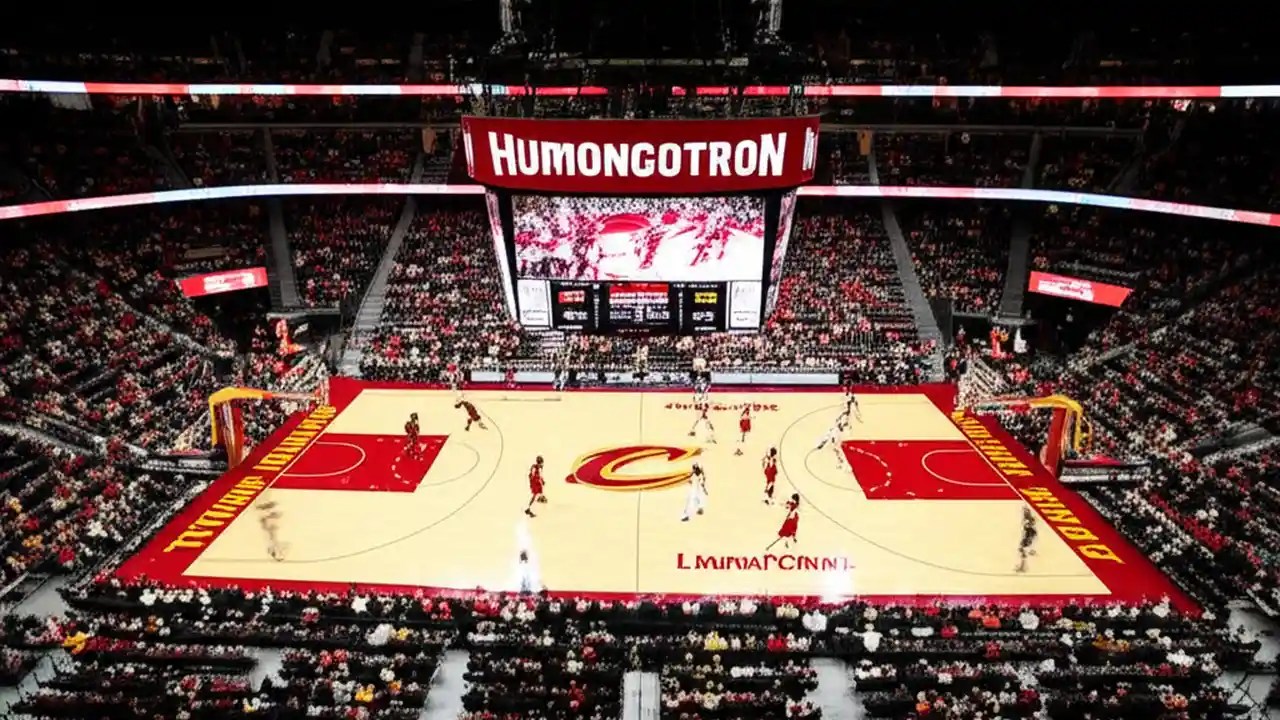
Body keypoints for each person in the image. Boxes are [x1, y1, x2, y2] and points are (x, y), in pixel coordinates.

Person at [1016, 505, 1039, 573]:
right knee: (1022, 550)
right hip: (1027, 536)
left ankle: (1023, 567)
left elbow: (1031, 526)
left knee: (1023, 550)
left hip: (1028, 536)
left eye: (1025, 511)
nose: (1024, 512)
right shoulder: (1027, 519)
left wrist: (1028, 539)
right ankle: (1023, 567)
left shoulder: (1028, 519)